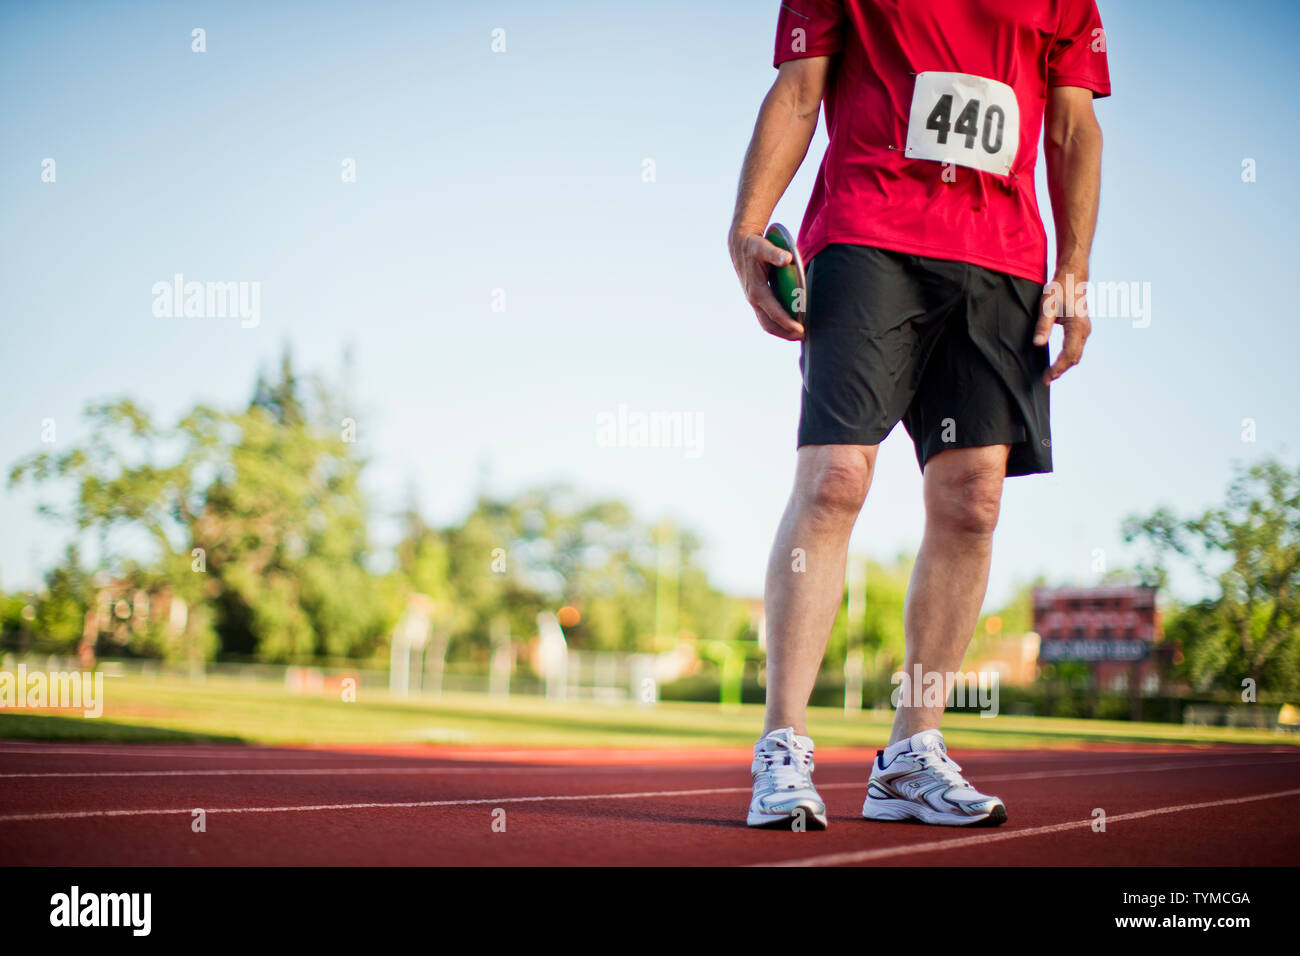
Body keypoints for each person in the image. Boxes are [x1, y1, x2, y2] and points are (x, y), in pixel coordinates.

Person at [729, 0, 1109, 829]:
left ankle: (910, 755)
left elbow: (1072, 129)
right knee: (833, 479)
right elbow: (800, 91)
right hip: (871, 233)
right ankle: (783, 745)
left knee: (974, 500)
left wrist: (1075, 268)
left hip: (1002, 256)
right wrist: (748, 228)